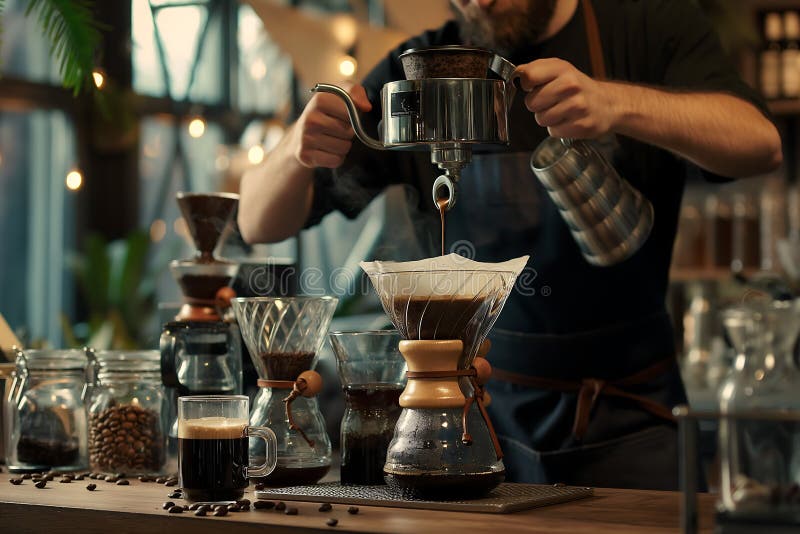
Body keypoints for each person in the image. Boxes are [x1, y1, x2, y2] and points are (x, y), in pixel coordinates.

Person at [238, 0, 782, 490]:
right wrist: (294, 149)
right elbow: (256, 221)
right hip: (474, 415)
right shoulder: (422, 67)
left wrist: (614, 104)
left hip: (627, 417)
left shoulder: (646, 25)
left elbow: (760, 144)